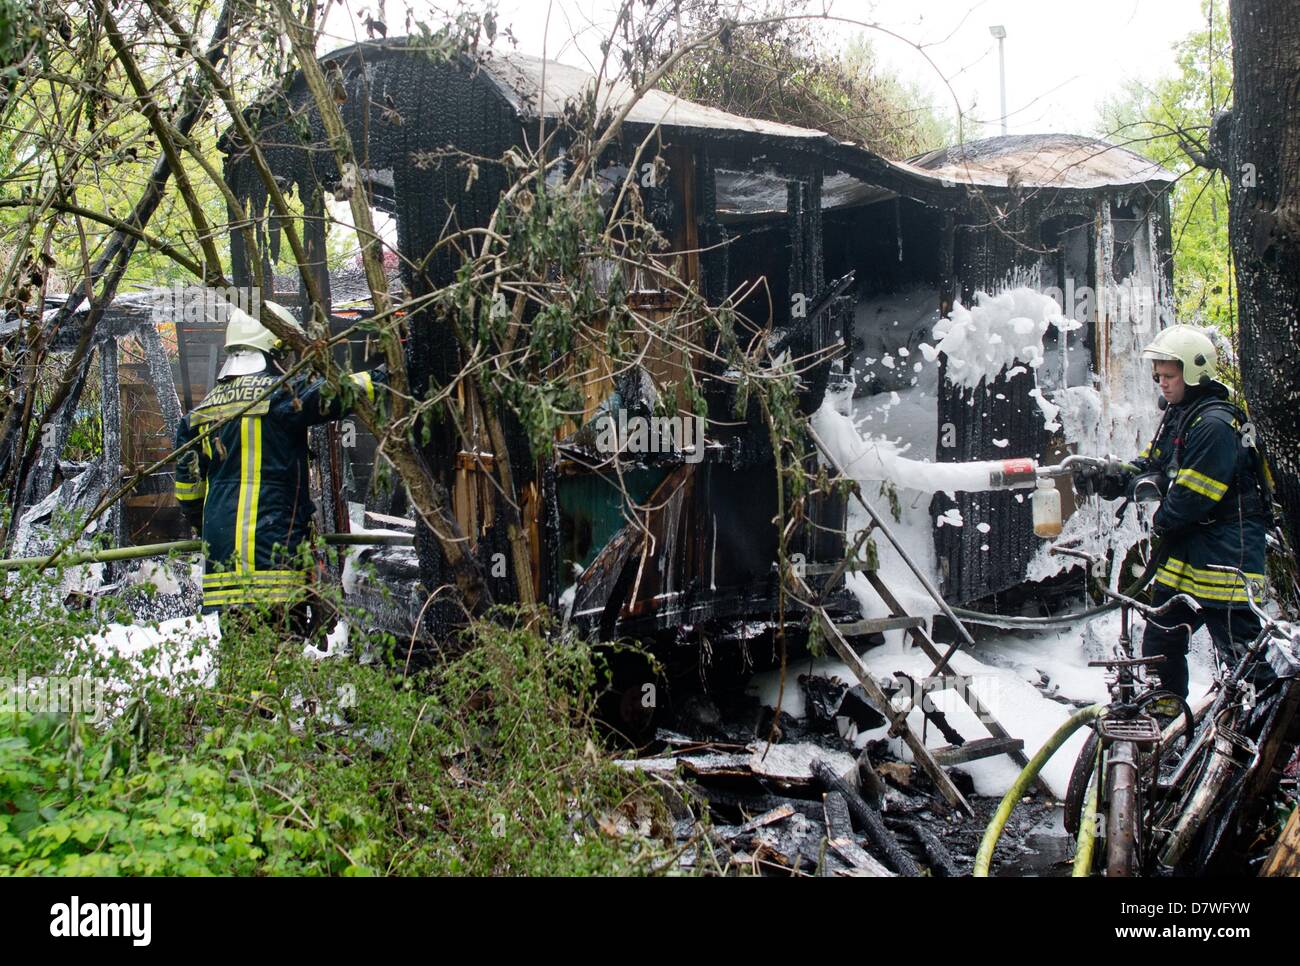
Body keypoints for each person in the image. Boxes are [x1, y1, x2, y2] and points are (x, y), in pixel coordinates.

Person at [1076, 325, 1273, 701]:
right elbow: (1155, 466)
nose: (1162, 384)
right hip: (1189, 552)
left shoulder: (1215, 424)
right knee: (1160, 640)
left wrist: (1160, 521)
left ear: (1195, 371)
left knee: (1242, 653)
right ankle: (1167, 719)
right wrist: (1114, 478)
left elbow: (1193, 496)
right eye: (1159, 377)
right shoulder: (1183, 415)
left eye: (1170, 376)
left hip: (1225, 556)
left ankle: (1275, 736)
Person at [173, 300, 383, 640]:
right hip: (274, 560)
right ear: (274, 351)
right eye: (286, 355)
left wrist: (218, 531)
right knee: (280, 662)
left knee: (242, 667)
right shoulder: (279, 397)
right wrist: (391, 373)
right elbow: (340, 391)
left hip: (222, 568)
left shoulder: (198, 414)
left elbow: (189, 498)